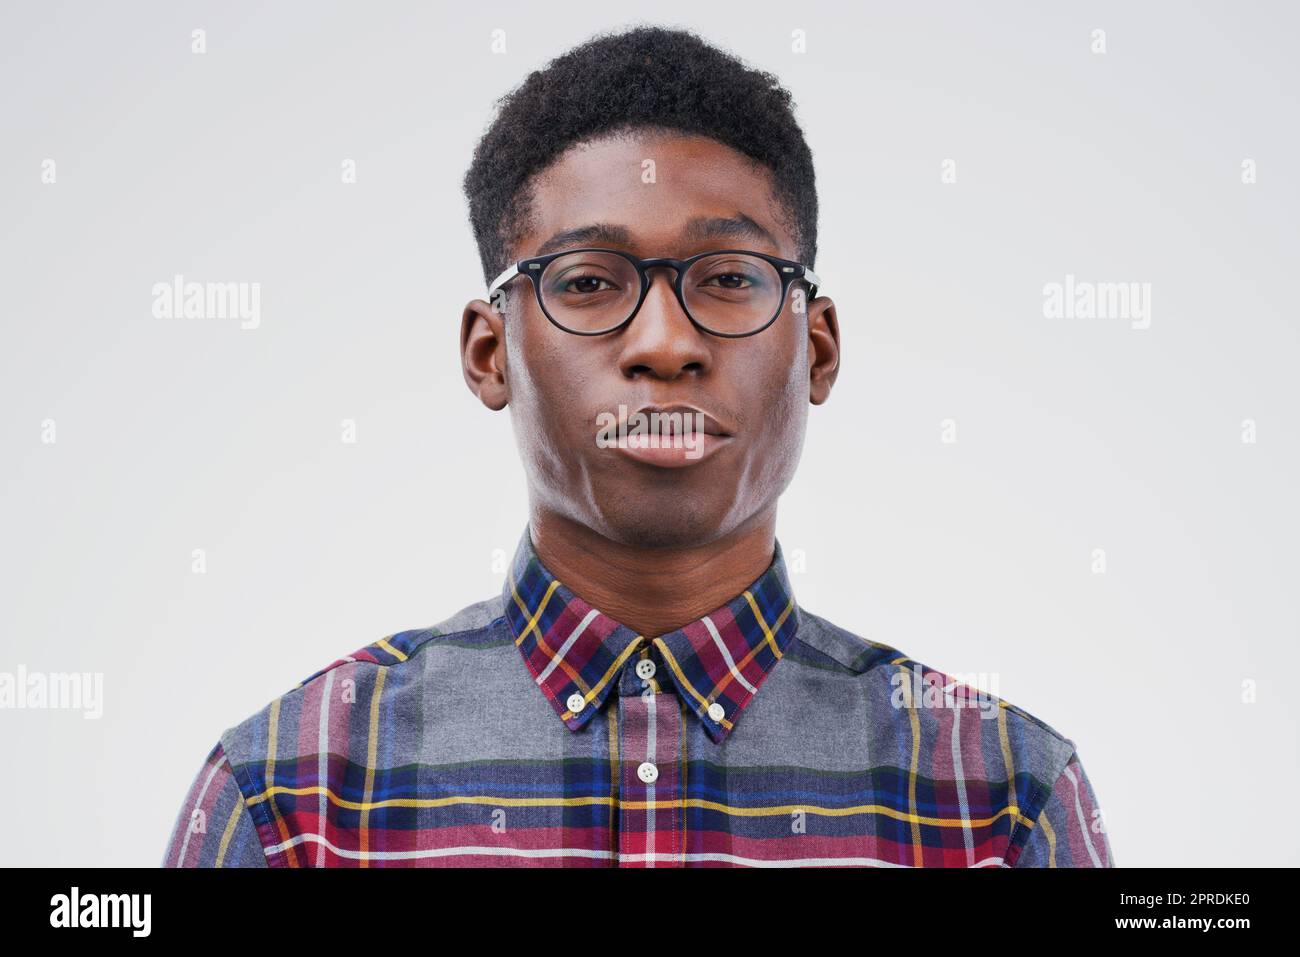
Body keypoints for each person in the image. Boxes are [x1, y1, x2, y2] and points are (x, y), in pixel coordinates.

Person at [163, 23, 1112, 868]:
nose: (665, 344)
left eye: (731, 276)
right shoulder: (294, 795)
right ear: (490, 354)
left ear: (816, 348)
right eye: (588, 282)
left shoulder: (999, 801)